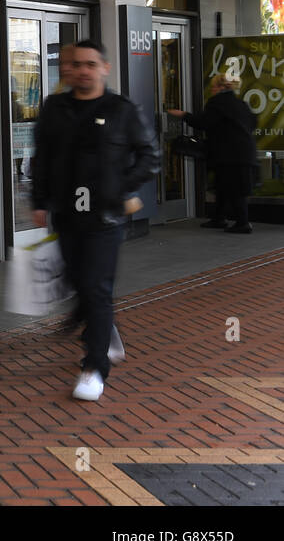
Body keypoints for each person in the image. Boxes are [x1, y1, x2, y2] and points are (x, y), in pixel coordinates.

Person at [31, 40, 160, 401]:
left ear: (105, 68)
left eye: (91, 64)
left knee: (96, 286)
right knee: (78, 282)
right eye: (76, 64)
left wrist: (119, 189)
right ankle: (106, 331)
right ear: (68, 68)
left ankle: (94, 367)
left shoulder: (122, 110)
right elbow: (42, 157)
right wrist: (40, 200)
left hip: (105, 216)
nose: (83, 70)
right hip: (67, 213)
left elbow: (150, 157)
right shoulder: (55, 108)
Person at [168, 73, 257, 233]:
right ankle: (219, 218)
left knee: (233, 188)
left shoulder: (217, 103)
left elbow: (204, 123)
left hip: (229, 154)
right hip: (244, 151)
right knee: (224, 185)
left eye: (214, 86)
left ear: (222, 87)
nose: (212, 90)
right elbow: (253, 122)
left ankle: (242, 223)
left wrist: (183, 115)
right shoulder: (241, 103)